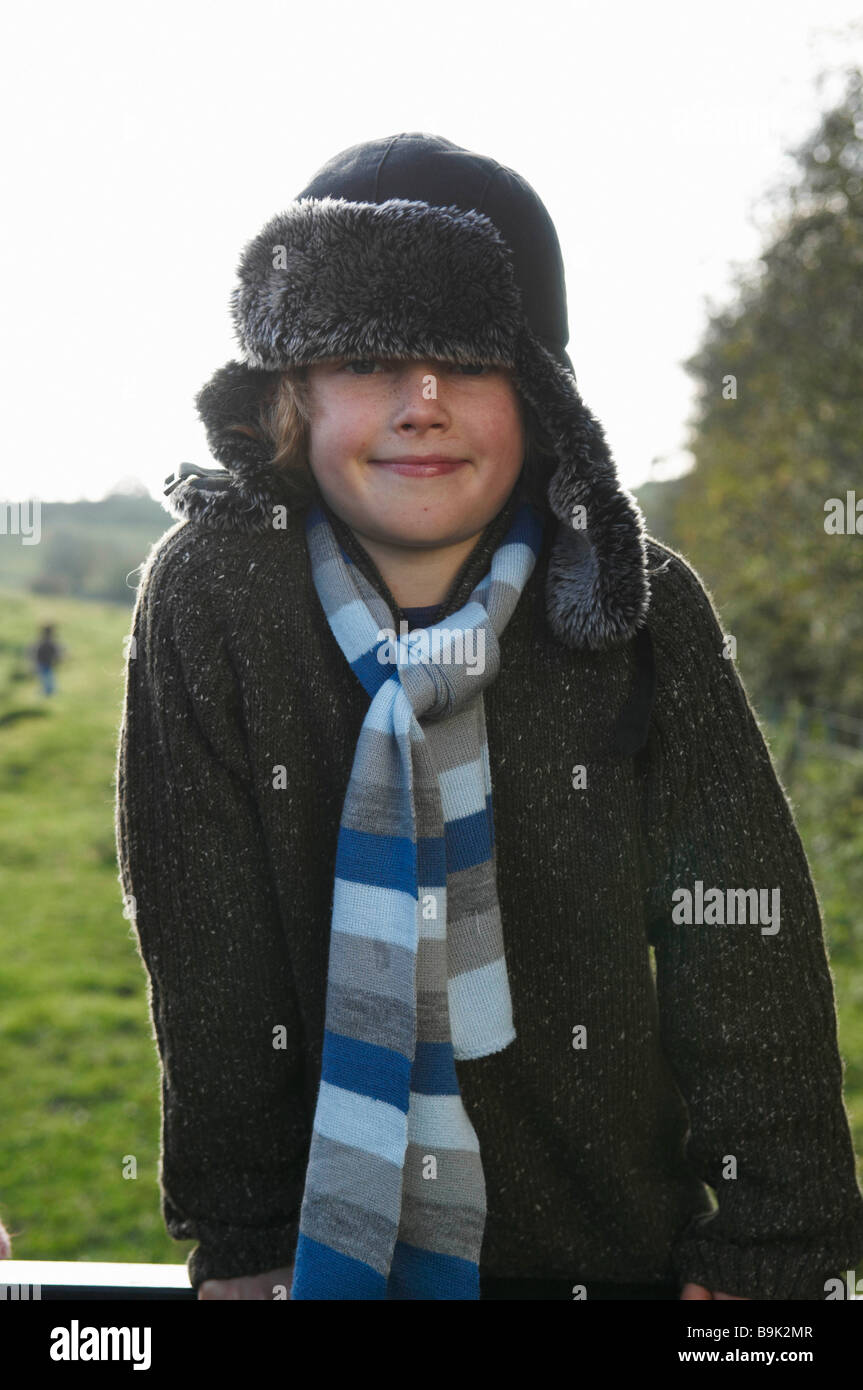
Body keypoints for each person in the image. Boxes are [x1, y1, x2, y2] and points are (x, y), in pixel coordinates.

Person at [114, 132, 863, 1302]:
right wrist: (245, 1235)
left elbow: (740, 934)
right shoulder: (214, 596)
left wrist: (772, 1242)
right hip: (323, 1251)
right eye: (367, 358)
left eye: (466, 362)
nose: (421, 405)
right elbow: (208, 953)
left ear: (542, 392)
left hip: (613, 1248)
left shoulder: (634, 603)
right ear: (288, 396)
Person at [32, 623, 61, 696]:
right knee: (46, 677)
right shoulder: (47, 640)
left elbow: (54, 651)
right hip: (44, 661)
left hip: (45, 662)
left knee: (47, 677)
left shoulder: (46, 640)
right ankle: (48, 692)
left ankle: (48, 692)